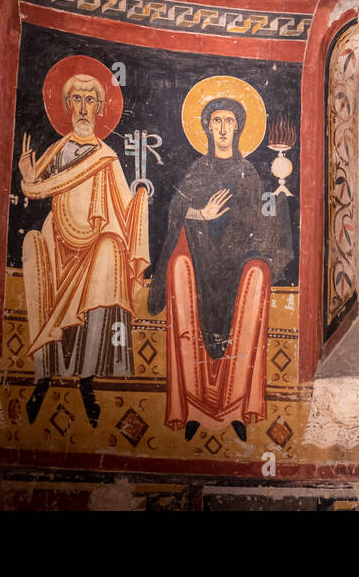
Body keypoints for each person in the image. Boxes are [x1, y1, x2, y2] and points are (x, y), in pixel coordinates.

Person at [148, 96, 293, 442]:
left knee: (258, 274)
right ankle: (195, 407)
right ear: (208, 128)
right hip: (199, 259)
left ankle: (234, 404)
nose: (224, 128)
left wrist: (279, 207)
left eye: (229, 121)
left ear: (239, 127)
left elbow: (259, 223)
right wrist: (201, 215)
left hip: (238, 263)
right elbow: (175, 213)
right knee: (179, 269)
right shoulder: (198, 169)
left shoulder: (249, 173)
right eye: (217, 121)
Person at [18, 72, 150, 428]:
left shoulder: (106, 158)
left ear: (99, 107)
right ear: (66, 106)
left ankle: (87, 380)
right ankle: (43, 378)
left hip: (93, 245)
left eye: (90, 100)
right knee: (31, 244)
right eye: (76, 99)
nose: (82, 108)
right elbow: (34, 188)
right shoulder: (57, 151)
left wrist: (140, 201)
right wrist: (28, 177)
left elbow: (124, 208)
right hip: (57, 238)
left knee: (109, 251)